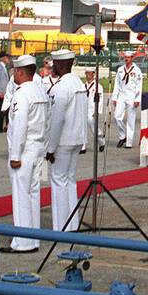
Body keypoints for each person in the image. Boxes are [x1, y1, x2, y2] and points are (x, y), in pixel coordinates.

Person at [2, 55, 47, 253]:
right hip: (38, 148)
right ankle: (33, 237)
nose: (13, 74)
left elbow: (19, 126)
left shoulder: (21, 94)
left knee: (21, 195)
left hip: (25, 150)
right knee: (33, 193)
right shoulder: (40, 91)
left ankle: (22, 241)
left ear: (20, 72)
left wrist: (15, 155)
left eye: (14, 71)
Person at [44, 49, 87, 234]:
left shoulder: (61, 87)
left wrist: (50, 147)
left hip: (62, 141)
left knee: (58, 182)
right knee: (70, 181)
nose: (53, 67)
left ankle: (61, 226)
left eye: (55, 63)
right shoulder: (78, 83)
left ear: (61, 65)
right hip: (77, 138)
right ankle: (72, 223)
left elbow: (57, 119)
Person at [111, 52, 143, 148]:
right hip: (122, 94)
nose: (126, 59)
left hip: (132, 95)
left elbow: (139, 85)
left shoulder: (137, 70)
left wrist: (137, 99)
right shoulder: (120, 70)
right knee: (117, 116)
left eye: (128, 57)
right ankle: (122, 136)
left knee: (131, 119)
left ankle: (129, 142)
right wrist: (114, 97)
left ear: (132, 58)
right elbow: (117, 84)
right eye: (125, 57)